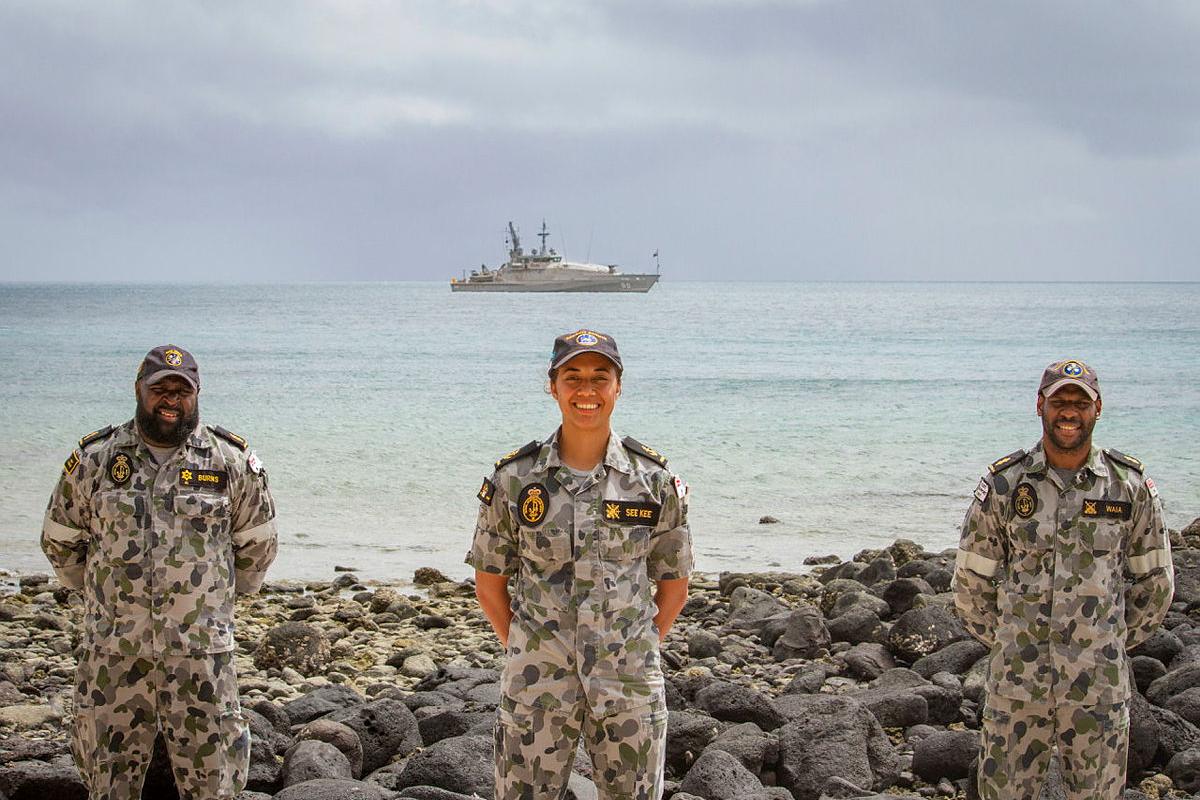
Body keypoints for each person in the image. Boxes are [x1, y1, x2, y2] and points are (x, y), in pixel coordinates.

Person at [41, 344, 278, 800]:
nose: (170, 399)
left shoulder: (228, 462)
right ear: (139, 390)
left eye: (181, 390)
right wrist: (98, 598)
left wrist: (215, 604)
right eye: (160, 389)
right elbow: (60, 538)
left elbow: (258, 544)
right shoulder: (96, 459)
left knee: (213, 784)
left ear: (196, 394)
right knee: (108, 783)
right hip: (114, 655)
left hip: (200, 655)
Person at [467, 329, 692, 800]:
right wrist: (532, 648)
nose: (585, 390)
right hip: (536, 686)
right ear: (552, 386)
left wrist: (631, 646)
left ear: (618, 386)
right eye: (572, 377)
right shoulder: (515, 479)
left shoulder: (651, 481)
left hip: (629, 685)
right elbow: (489, 585)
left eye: (599, 377)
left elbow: (673, 587)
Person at [954, 359, 1173, 799]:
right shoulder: (1005, 484)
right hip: (1017, 686)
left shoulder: (1126, 486)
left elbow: (1157, 582)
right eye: (1059, 402)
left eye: (1080, 402)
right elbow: (970, 581)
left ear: (1098, 409)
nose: (1068, 412)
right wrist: (1009, 639)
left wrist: (1109, 639)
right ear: (1040, 406)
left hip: (1098, 688)